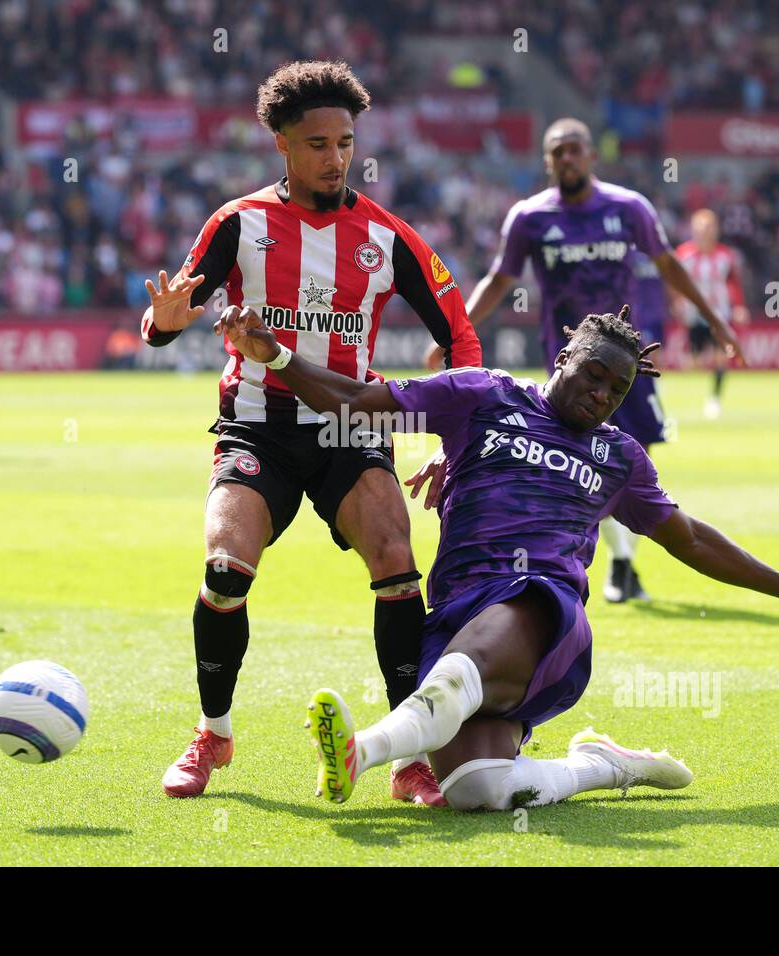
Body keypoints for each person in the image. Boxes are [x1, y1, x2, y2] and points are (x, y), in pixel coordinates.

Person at [216, 302, 779, 812]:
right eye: (594, 375)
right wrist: (275, 355)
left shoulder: (618, 457)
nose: (603, 394)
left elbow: (688, 538)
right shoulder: (483, 395)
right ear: (563, 358)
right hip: (460, 608)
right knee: (480, 790)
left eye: (618, 388)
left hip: (540, 606)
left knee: (448, 681)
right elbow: (358, 403)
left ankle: (358, 752)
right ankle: (605, 766)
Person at [140, 60, 482, 804]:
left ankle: (408, 755)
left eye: (346, 142)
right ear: (284, 147)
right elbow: (168, 314)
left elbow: (460, 336)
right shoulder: (238, 224)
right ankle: (213, 732)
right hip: (256, 427)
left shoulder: (389, 238)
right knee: (226, 569)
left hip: (350, 428)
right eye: (318, 143)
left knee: (396, 560)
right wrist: (160, 325)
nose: (335, 157)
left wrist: (456, 443)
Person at [422, 118, 743, 604]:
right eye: (557, 153)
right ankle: (620, 564)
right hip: (569, 370)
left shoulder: (628, 207)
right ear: (547, 161)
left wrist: (713, 319)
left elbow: (668, 265)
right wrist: (455, 328)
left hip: (627, 365)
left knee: (630, 461)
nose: (567, 159)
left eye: (574, 150)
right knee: (581, 461)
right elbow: (499, 279)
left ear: (591, 156)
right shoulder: (530, 217)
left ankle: (621, 563)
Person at [674, 209, 750, 418]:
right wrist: (677, 301)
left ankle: (714, 399)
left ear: (715, 230)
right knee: (693, 362)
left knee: (721, 357)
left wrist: (738, 306)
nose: (705, 232)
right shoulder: (683, 254)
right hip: (694, 315)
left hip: (719, 314)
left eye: (709, 228)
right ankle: (682, 398)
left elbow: (733, 282)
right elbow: (674, 282)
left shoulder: (726, 256)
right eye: (701, 228)